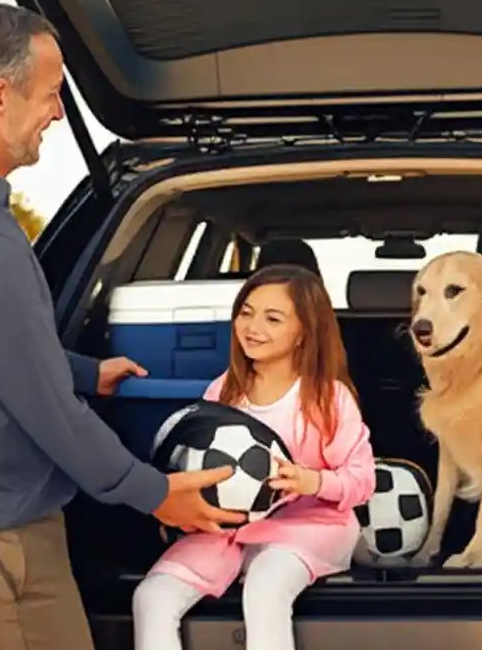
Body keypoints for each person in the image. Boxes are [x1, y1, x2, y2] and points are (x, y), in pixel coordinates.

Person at [0, 1, 244, 650]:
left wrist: (87, 371)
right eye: (51, 94)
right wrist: (155, 493)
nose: (58, 112)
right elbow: (46, 408)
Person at [131, 264, 376, 650]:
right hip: (228, 532)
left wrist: (313, 481)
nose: (252, 326)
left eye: (272, 318)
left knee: (266, 585)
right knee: (152, 597)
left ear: (304, 334)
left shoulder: (328, 398)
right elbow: (196, 467)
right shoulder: (223, 390)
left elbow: (362, 481)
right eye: (245, 312)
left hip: (310, 527)